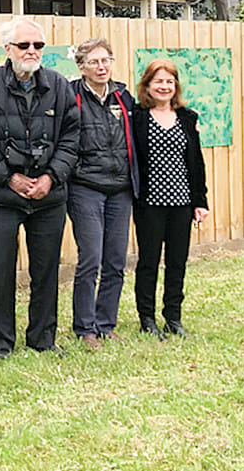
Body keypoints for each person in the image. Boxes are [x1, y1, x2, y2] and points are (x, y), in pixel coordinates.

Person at [0, 17, 79, 359]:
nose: (32, 51)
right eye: (24, 45)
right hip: (2, 195)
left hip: (49, 196)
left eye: (38, 45)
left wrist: (51, 177)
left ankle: (42, 339)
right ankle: (1, 344)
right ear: (8, 49)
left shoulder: (59, 86)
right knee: (0, 272)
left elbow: (72, 138)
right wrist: (9, 177)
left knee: (46, 272)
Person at [67, 38, 139, 349]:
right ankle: (85, 328)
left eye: (106, 60)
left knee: (115, 260)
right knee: (91, 258)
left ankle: (106, 324)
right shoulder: (70, 96)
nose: (101, 67)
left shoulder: (124, 97)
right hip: (85, 188)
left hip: (121, 189)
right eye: (94, 62)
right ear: (81, 67)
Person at [131, 59, 209, 340]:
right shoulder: (137, 117)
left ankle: (173, 317)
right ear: (147, 86)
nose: (164, 86)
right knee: (148, 261)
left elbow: (196, 163)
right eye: (158, 81)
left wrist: (200, 201)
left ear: (175, 86)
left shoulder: (188, 118)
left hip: (182, 202)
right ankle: (147, 318)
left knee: (177, 262)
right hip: (149, 203)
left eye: (169, 81)